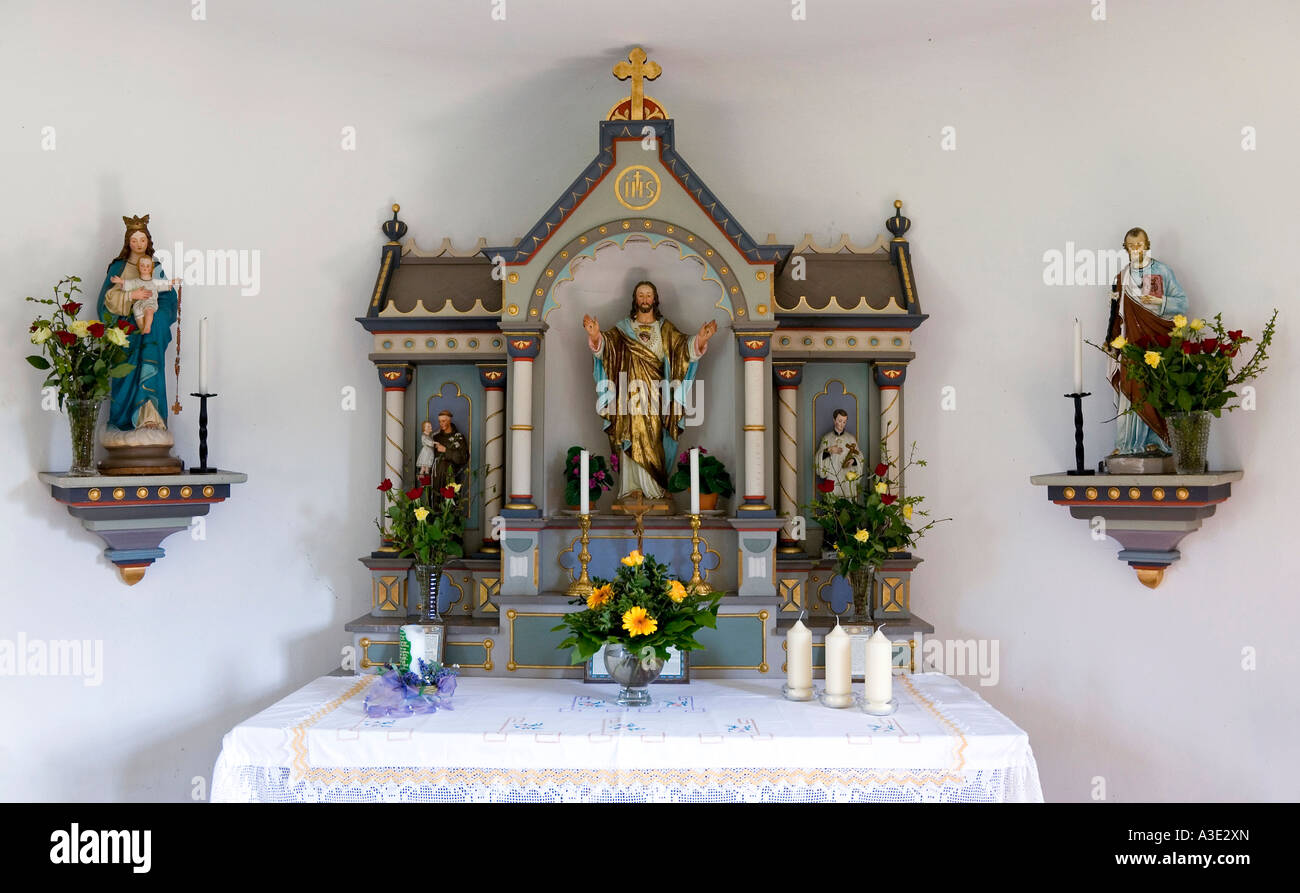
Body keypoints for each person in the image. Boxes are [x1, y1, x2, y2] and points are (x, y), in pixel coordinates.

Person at [583, 280, 717, 499]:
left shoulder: (665, 328)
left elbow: (682, 349)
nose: (645, 299)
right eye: (641, 295)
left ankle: (654, 487)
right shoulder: (623, 328)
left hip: (658, 394)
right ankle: (632, 488)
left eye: (648, 295)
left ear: (655, 299)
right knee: (631, 434)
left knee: (654, 437)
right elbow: (607, 352)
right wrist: (596, 336)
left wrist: (700, 339)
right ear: (635, 299)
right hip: (629, 395)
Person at [1105, 227, 1188, 454]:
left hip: (1156, 343)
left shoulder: (1162, 271)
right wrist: (1110, 340)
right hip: (1131, 345)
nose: (1135, 249)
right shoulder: (1121, 277)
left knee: (1154, 389)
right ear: (1125, 248)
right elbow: (1115, 313)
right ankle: (1126, 445)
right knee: (1130, 390)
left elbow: (1182, 303)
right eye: (1131, 246)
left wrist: (1160, 302)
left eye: (1139, 245)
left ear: (1147, 244)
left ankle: (1157, 440)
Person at [97, 215, 178, 435]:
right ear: (128, 242)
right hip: (127, 332)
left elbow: (169, 299)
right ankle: (123, 422)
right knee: (125, 375)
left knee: (151, 360)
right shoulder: (118, 268)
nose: (139, 244)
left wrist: (157, 316)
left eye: (143, 240)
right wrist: (132, 295)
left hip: (150, 331)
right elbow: (104, 304)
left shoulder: (156, 267)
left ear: (148, 242)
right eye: (135, 240)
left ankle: (151, 417)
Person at [110, 254, 178, 335]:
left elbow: (163, 283)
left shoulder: (154, 282)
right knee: (137, 312)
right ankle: (142, 328)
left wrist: (172, 282)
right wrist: (120, 281)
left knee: (149, 311)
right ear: (138, 267)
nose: (145, 268)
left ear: (151, 268)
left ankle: (147, 327)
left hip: (150, 302)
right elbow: (129, 284)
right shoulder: (136, 281)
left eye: (148, 266)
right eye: (142, 265)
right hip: (139, 303)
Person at [816, 408, 862, 498]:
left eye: (844, 422)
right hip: (833, 476)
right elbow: (818, 457)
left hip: (846, 476)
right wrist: (829, 450)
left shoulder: (851, 438)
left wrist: (853, 460)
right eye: (840, 421)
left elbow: (859, 456)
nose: (842, 424)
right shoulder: (827, 438)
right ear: (834, 420)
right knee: (833, 503)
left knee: (848, 504)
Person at [431, 410, 469, 498]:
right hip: (436, 478)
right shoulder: (436, 437)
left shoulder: (459, 437)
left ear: (449, 420)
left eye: (443, 421)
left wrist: (445, 450)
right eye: (439, 421)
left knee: (449, 504)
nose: (441, 423)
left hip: (451, 477)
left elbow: (463, 458)